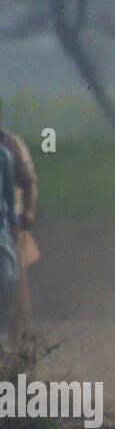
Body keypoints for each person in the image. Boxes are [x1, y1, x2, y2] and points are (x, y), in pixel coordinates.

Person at [0, 96, 40, 326]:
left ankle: (19, 331)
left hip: (11, 220)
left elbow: (29, 181)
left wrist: (28, 211)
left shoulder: (12, 144)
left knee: (16, 279)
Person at [0, 140, 19, 347]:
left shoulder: (3, 156)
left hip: (1, 228)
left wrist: (14, 223)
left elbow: (9, 194)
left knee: (6, 278)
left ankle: (3, 333)